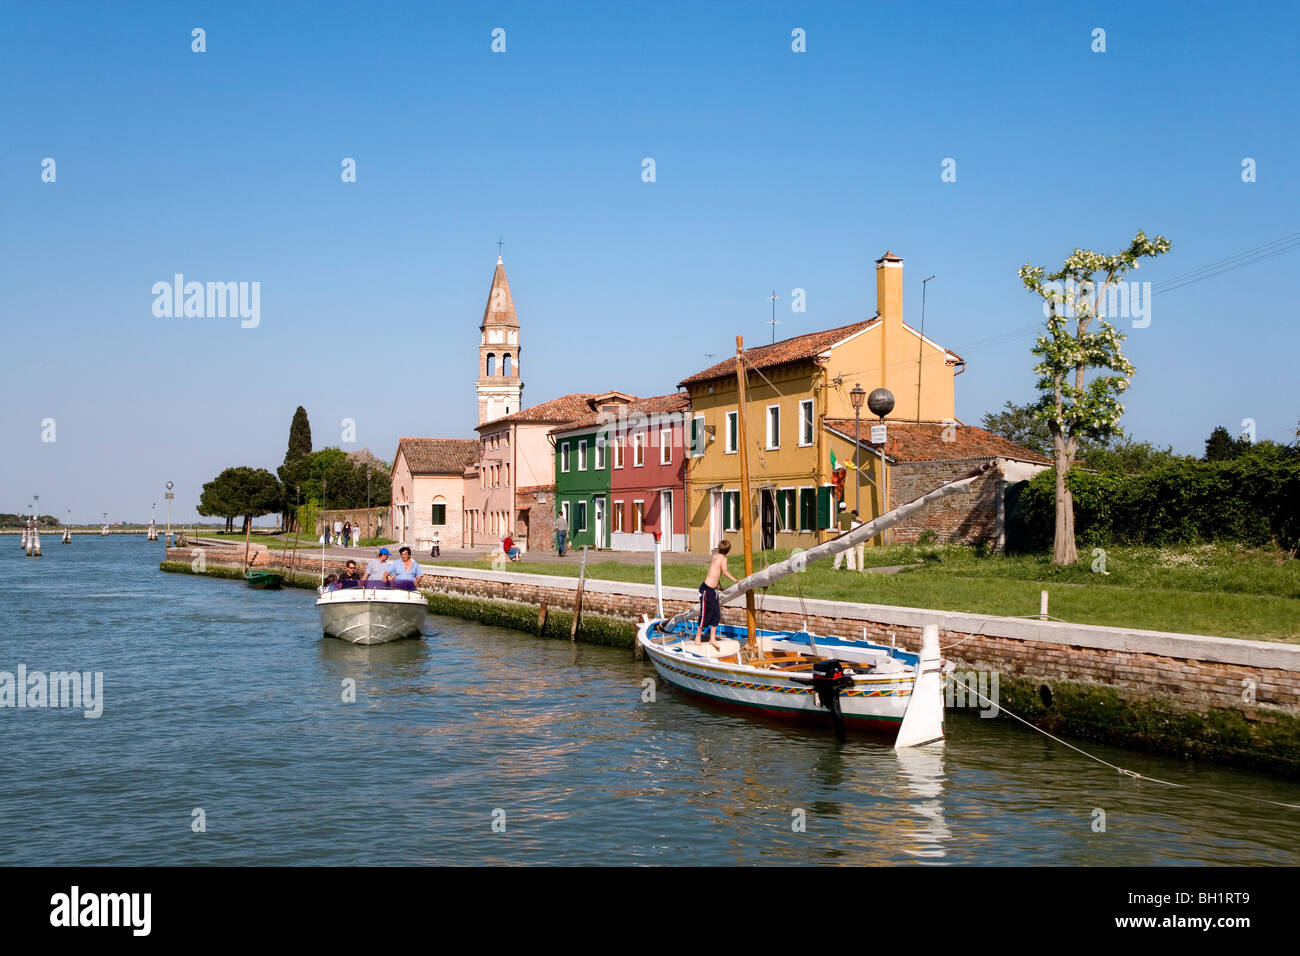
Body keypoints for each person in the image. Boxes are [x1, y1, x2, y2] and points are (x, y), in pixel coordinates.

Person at [696, 540, 738, 646]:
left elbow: (716, 573)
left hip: (713, 590)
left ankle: (712, 639)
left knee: (716, 615)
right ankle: (697, 638)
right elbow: (725, 571)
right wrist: (736, 580)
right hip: (706, 590)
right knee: (705, 614)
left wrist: (720, 586)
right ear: (728, 550)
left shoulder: (715, 556)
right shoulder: (723, 558)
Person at [833, 502, 854, 570]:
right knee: (849, 551)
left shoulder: (839, 516)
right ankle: (850, 567)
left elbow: (839, 526)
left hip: (842, 533)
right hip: (849, 533)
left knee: (840, 551)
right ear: (846, 507)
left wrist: (839, 535)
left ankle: (836, 566)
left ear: (840, 508)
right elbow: (859, 519)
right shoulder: (850, 515)